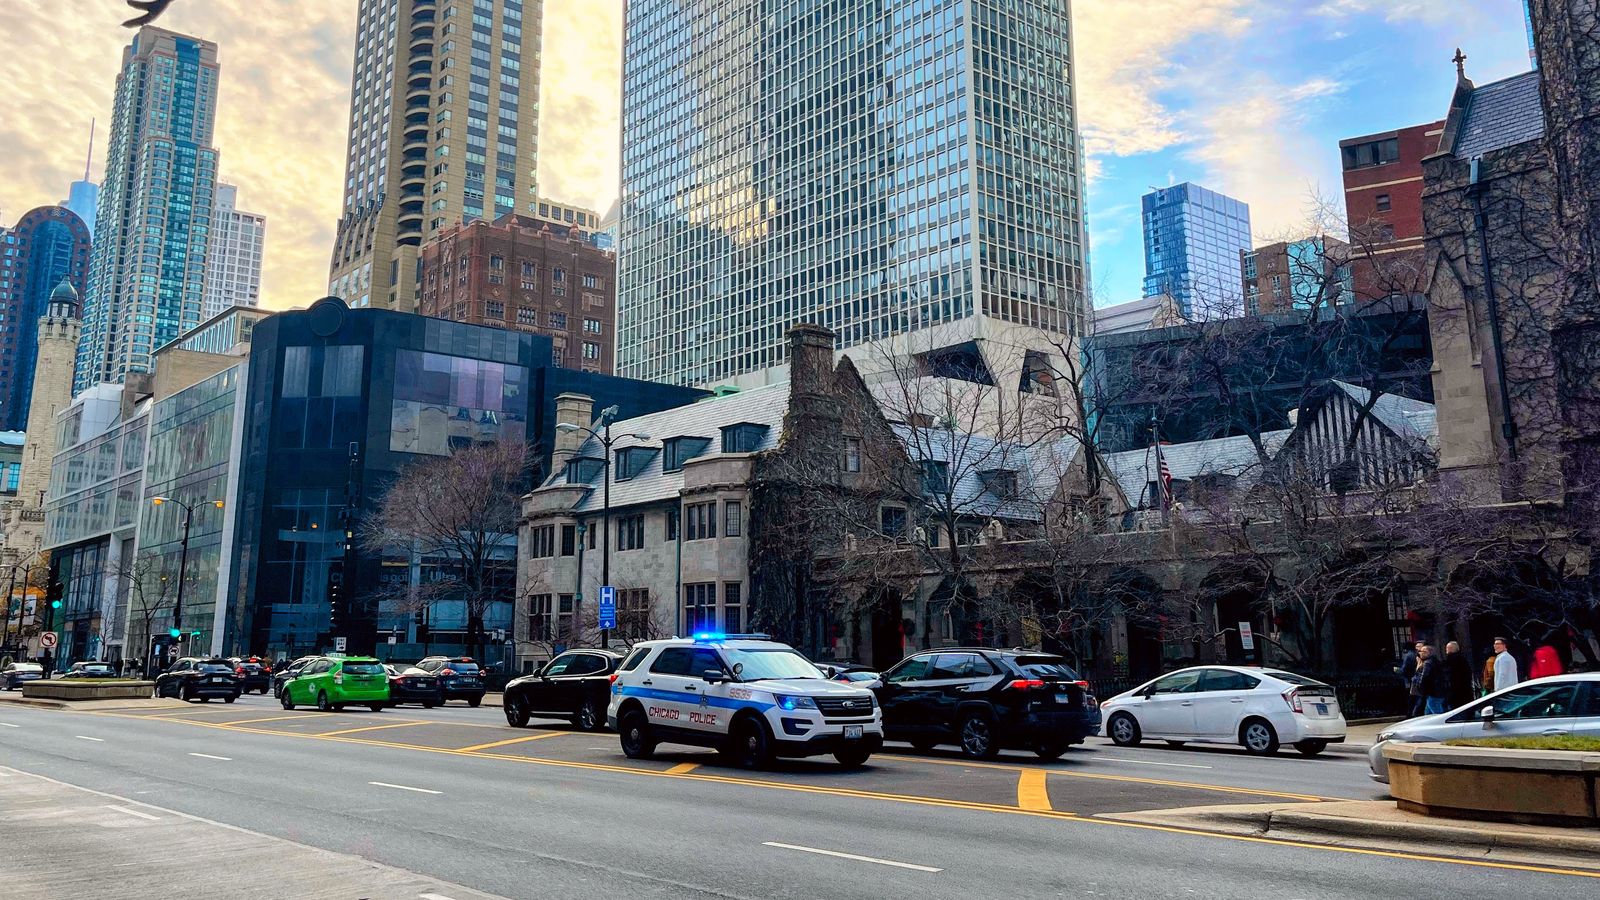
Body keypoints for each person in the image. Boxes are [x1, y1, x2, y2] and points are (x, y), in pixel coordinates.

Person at [1417, 645, 1450, 715]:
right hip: (1439, 691)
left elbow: (1425, 677)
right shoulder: (1437, 662)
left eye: (1422, 651)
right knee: (1428, 713)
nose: (1420, 653)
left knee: (1437, 713)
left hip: (1433, 692)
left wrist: (1420, 687)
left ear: (1428, 653)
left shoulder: (1428, 663)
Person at [1443, 641, 1473, 709]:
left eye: (1447, 648)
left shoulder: (1452, 660)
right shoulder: (1463, 659)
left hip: (1456, 692)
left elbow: (1451, 676)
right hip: (1464, 691)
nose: (1446, 650)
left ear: (1450, 648)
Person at [1400, 640, 1424, 716]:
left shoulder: (1408, 655)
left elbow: (1405, 669)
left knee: (1412, 698)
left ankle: (1412, 714)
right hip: (1416, 678)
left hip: (1411, 679)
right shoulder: (1416, 655)